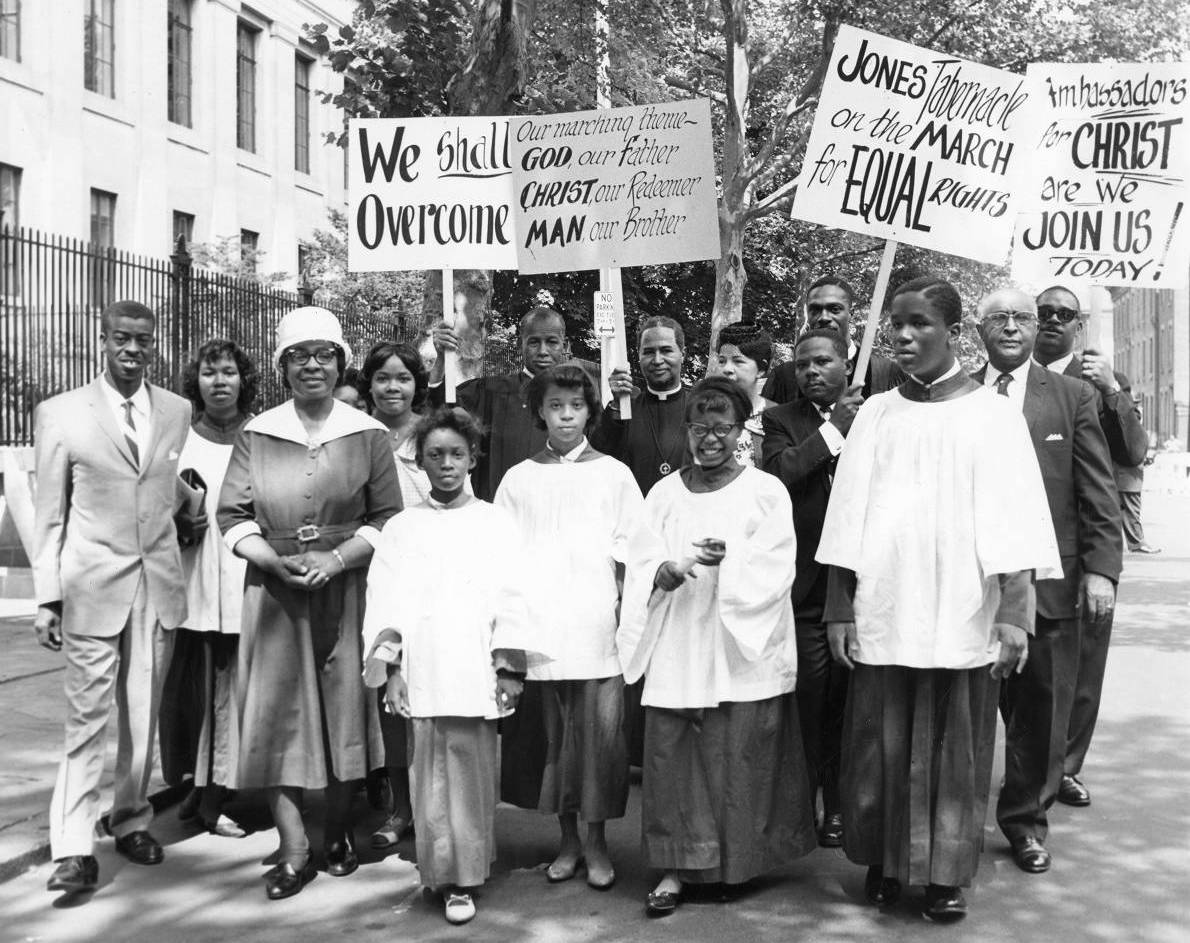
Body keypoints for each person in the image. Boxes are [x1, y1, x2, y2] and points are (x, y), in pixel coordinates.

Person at [818, 276, 1061, 919]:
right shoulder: (874, 414)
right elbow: (846, 518)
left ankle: (945, 873)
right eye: (896, 323)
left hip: (962, 602)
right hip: (888, 601)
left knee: (955, 741)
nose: (902, 335)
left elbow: (1016, 521)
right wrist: (840, 607)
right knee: (879, 738)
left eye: (919, 323)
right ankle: (885, 861)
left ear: (950, 331)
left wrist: (1014, 615)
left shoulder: (992, 415)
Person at [218, 306, 401, 900]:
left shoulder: (366, 433)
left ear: (341, 361)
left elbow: (389, 518)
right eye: (299, 355)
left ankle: (339, 831)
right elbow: (231, 515)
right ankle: (295, 849)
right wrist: (272, 561)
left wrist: (337, 558)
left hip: (346, 590)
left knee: (346, 707)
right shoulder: (258, 432)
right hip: (274, 593)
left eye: (324, 354)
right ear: (282, 366)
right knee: (276, 714)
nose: (313, 365)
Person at [618, 377, 817, 918]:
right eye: (699, 427)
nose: (710, 439)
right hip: (680, 635)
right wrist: (666, 569)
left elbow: (779, 564)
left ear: (740, 431)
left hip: (737, 642)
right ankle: (674, 868)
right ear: (686, 430)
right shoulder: (663, 493)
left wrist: (732, 561)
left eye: (722, 428)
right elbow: (639, 559)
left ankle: (734, 865)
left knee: (737, 756)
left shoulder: (764, 491)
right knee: (674, 758)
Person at [33, 300, 200, 895]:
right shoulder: (60, 414)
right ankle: (73, 849)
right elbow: (49, 517)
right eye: (121, 339)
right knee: (86, 721)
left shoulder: (177, 411)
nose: (132, 350)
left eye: (143, 342)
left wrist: (190, 504)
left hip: (156, 587)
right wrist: (48, 596)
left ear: (155, 345)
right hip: (91, 587)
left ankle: (130, 818)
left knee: (142, 716)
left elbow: (159, 482)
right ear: (102, 340)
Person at [362, 407, 547, 925]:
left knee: (469, 771)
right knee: (428, 775)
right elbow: (386, 601)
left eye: (456, 454)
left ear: (473, 459)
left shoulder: (494, 522)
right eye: (435, 455)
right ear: (419, 462)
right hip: (423, 668)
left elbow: (514, 596)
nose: (446, 464)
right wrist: (391, 668)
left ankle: (465, 876)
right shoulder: (400, 528)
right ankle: (439, 872)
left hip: (474, 668)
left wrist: (509, 667)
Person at [972, 289, 1122, 874]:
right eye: (998, 318)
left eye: (1022, 318)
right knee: (967, 710)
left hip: (1051, 582)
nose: (1011, 327)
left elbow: (1097, 491)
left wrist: (1102, 570)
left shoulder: (1072, 395)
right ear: (979, 330)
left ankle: (1026, 823)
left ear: (1037, 329)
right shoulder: (955, 394)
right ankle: (953, 823)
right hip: (973, 584)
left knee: (1040, 713)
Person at [495, 364, 641, 890]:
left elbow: (633, 548)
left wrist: (625, 610)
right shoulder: (519, 478)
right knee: (557, 743)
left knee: (600, 741)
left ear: (590, 411)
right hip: (542, 628)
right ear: (540, 411)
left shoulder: (614, 474)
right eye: (555, 406)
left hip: (597, 625)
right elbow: (503, 557)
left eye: (576, 406)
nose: (566, 415)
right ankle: (568, 840)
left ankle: (598, 841)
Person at [1033, 284, 1147, 808]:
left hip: (1085, 542)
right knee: (1027, 666)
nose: (1052, 320)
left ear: (1079, 325)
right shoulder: (1010, 380)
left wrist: (1113, 394)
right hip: (1025, 538)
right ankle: (1035, 759)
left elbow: (1133, 453)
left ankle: (1066, 766)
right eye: (1044, 313)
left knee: (1082, 664)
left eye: (1064, 314)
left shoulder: (1101, 378)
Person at [760, 328, 863, 849]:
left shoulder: (874, 415)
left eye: (823, 362)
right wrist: (832, 433)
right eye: (802, 365)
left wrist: (851, 424)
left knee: (849, 702)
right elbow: (779, 475)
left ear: (846, 364)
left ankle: (839, 805)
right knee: (810, 699)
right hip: (805, 588)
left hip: (858, 582)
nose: (811, 372)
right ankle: (803, 804)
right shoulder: (781, 420)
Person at [159, 339, 257, 839]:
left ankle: (217, 794)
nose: (219, 382)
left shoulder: (259, 435)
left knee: (231, 689)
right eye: (208, 373)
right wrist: (178, 524)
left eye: (229, 372)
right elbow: (157, 505)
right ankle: (200, 785)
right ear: (194, 382)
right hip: (193, 575)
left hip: (244, 576)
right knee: (193, 691)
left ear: (244, 380)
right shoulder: (180, 438)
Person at [592, 315, 690, 766]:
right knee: (633, 638)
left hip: (681, 544)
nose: (656, 359)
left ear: (683, 354)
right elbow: (600, 458)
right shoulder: (625, 408)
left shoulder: (696, 405)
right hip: (632, 545)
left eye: (665, 350)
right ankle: (636, 752)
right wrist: (615, 405)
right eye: (648, 351)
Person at [355, 340, 437, 848]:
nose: (392, 387)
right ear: (369, 384)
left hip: (429, 577)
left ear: (416, 384)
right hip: (373, 577)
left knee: (430, 694)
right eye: (382, 378)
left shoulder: (433, 435)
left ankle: (434, 807)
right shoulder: (358, 437)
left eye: (402, 378)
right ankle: (400, 809)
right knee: (390, 695)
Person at [428, 305, 568, 501]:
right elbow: (444, 413)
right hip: (497, 516)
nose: (543, 351)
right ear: (521, 344)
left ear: (565, 346)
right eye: (534, 342)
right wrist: (442, 360)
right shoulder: (490, 392)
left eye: (552, 342)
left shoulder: (578, 401)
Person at [762, 276, 904, 405]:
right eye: (815, 310)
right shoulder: (784, 377)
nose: (824, 317)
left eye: (834, 309)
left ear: (850, 314)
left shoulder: (885, 373)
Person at [715, 321, 775, 467]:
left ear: (761, 368)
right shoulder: (702, 413)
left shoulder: (777, 416)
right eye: (722, 361)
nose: (727, 369)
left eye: (738, 361)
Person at [1116, 397, 1160, 553]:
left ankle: (1135, 543)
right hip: (1129, 478)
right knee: (1132, 511)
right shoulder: (1130, 427)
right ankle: (1138, 543)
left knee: (1126, 512)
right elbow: (1132, 451)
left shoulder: (1125, 426)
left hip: (1126, 476)